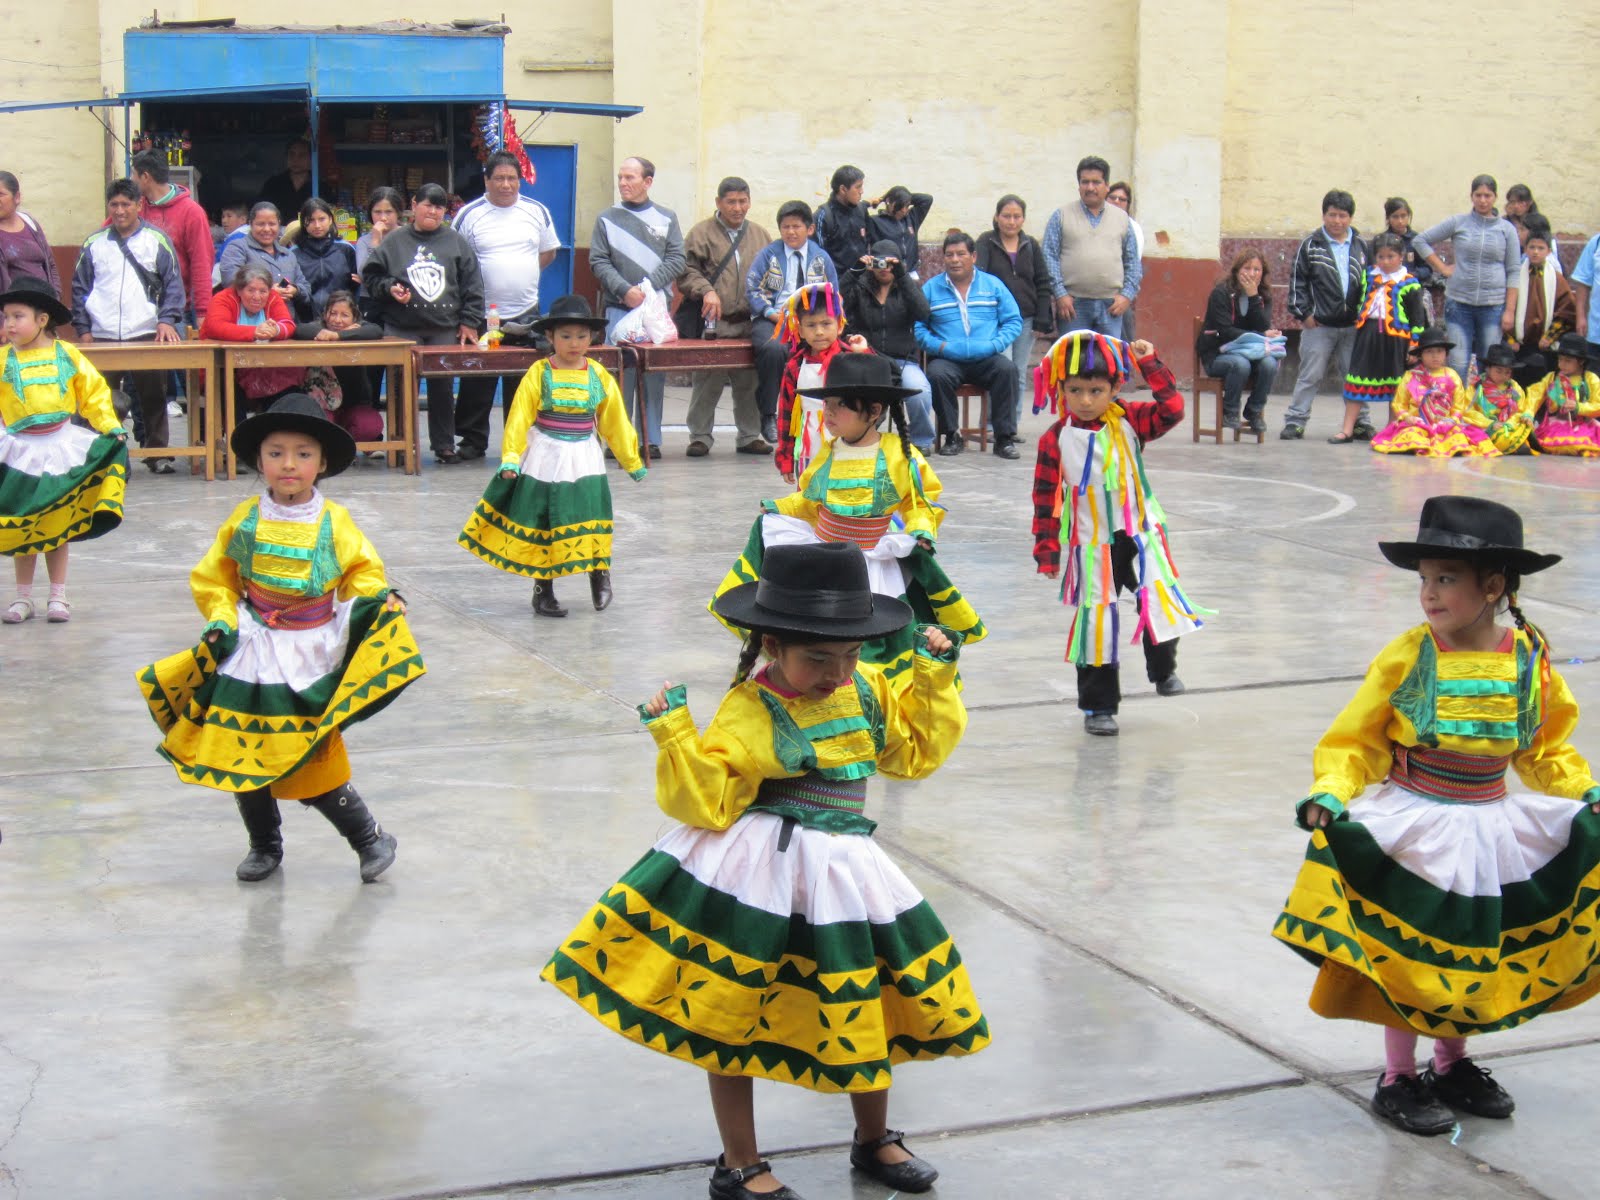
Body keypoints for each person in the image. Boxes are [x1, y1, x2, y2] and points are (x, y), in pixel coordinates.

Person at [541, 540, 988, 1200]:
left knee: (864, 998)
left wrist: (932, 679)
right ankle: (740, 1161)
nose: (837, 672)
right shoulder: (751, 708)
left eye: (850, 654)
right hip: (762, 874)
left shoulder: (862, 689)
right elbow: (709, 802)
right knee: (733, 1010)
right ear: (772, 646)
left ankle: (874, 1138)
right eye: (818, 659)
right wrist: (675, 739)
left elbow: (911, 756)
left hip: (847, 874)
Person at [1274, 495, 1600, 1136]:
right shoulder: (1407, 656)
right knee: (1414, 956)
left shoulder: (1527, 658)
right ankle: (1398, 1075)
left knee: (1475, 949)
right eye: (1424, 580)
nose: (1428, 594)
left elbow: (1544, 748)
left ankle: (1452, 1063)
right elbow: (1359, 739)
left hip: (1489, 823)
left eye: (1446, 579)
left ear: (1494, 586)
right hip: (1418, 822)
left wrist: (1584, 791)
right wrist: (1334, 792)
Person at [135, 394, 422, 881]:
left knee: (309, 752)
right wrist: (221, 618)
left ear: (322, 463)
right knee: (241, 746)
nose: (289, 464)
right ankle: (264, 845)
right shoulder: (245, 520)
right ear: (258, 460)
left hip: (310, 650)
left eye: (303, 453)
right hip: (255, 650)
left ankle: (368, 838)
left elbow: (362, 574)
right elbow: (215, 579)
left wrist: (380, 600)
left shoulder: (335, 523)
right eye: (275, 453)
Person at [712, 353, 986, 682]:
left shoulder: (899, 455)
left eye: (839, 405)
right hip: (825, 556)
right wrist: (780, 507)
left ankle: (870, 687)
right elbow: (811, 501)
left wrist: (921, 530)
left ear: (874, 411)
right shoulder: (830, 450)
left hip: (871, 561)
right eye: (826, 403)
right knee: (819, 629)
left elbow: (919, 503)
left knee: (871, 632)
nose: (828, 412)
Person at [1030, 332, 1200, 737]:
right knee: (1096, 625)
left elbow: (1172, 409)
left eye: (1096, 390)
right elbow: (1044, 498)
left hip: (1140, 535)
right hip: (1092, 546)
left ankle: (1163, 670)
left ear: (1114, 388)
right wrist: (1048, 549)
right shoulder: (1054, 439)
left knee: (1160, 601)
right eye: (1075, 391)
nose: (1086, 400)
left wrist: (1152, 365)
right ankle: (1099, 707)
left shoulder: (1130, 420)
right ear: (1061, 390)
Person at [458, 295, 646, 617]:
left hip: (584, 455)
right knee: (546, 519)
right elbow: (519, 416)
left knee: (590, 511)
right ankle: (543, 590)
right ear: (549, 337)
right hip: (546, 454)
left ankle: (599, 575)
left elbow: (614, 419)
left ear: (593, 338)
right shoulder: (539, 372)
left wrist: (631, 460)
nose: (575, 343)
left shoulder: (598, 374)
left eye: (582, 336)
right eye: (566, 336)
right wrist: (511, 457)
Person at [0, 274, 128, 624]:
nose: (10, 324)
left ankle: (58, 595)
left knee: (56, 524)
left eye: (18, 316)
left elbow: (94, 395)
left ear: (42, 320)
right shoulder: (1, 360)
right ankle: (22, 597)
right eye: (6, 317)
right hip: (20, 452)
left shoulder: (67, 355)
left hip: (60, 448)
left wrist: (111, 428)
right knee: (25, 521)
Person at [362, 182, 486, 465]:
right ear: (414, 205)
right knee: (401, 388)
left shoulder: (455, 241)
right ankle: (403, 444)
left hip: (444, 327)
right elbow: (372, 277)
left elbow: (472, 285)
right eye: (428, 204)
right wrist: (390, 287)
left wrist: (469, 322)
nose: (433, 211)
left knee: (442, 389)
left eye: (439, 206)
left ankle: (443, 445)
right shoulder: (395, 240)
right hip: (401, 328)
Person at [70, 178, 186, 474]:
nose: (120, 210)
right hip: (101, 336)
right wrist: (83, 329)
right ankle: (98, 454)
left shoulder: (157, 240)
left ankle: (157, 453)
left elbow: (173, 284)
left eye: (126, 204)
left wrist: (165, 320)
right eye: (114, 204)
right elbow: (79, 288)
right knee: (98, 398)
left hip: (146, 332)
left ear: (138, 206)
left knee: (152, 397)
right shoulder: (94, 243)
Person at [454, 151, 563, 457]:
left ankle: (521, 442)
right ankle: (472, 441)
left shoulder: (537, 211)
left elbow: (548, 253)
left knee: (524, 380)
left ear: (520, 181)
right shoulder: (469, 214)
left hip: (526, 311)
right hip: (482, 313)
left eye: (512, 178)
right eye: (499, 178)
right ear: (486, 180)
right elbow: (457, 261)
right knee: (478, 377)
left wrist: (518, 276)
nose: (506, 184)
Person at [589, 157, 685, 458]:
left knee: (652, 375)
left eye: (630, 177)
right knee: (618, 376)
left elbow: (676, 259)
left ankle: (650, 440)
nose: (623, 183)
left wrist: (646, 287)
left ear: (648, 181)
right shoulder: (606, 218)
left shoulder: (666, 218)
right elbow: (598, 260)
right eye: (621, 177)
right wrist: (625, 290)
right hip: (619, 308)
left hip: (654, 312)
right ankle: (618, 440)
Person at [678, 176, 772, 456]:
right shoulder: (700, 233)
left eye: (743, 201)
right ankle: (700, 436)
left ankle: (748, 435)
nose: (737, 207)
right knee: (708, 381)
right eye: (731, 201)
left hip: (750, 321)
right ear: (718, 202)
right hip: (713, 323)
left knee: (749, 382)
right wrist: (706, 290)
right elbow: (685, 271)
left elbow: (772, 272)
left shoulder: (760, 234)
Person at [914, 231, 1023, 458]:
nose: (955, 259)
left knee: (1008, 370)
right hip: (948, 357)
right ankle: (951, 435)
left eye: (961, 254)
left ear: (973, 256)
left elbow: (1013, 321)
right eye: (949, 255)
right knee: (936, 374)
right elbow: (917, 327)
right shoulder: (931, 289)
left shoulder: (993, 285)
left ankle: (1004, 438)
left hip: (986, 356)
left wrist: (995, 344)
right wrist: (940, 347)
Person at [746, 200, 837, 444]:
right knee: (773, 349)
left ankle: (824, 413)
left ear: (809, 229)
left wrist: (828, 322)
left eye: (796, 226)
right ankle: (768, 414)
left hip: (811, 320)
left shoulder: (820, 257)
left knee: (827, 353)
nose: (791, 232)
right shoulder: (768, 254)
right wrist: (769, 312)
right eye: (785, 227)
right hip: (774, 317)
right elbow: (752, 289)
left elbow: (832, 292)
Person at [1282, 189, 1370, 440]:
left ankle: (1361, 422)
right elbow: (1297, 282)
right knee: (1310, 375)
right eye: (1332, 215)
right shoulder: (1310, 245)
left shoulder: (1362, 246)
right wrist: (1305, 314)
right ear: (1324, 215)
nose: (1337, 221)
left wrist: (1364, 317)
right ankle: (1295, 421)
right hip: (1318, 325)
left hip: (1353, 325)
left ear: (1350, 218)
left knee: (1354, 376)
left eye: (1343, 215)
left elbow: (1370, 283)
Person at [1414, 176, 1521, 378]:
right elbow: (1421, 241)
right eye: (1478, 195)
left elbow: (1514, 270)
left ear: (1495, 197)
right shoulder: (1458, 222)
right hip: (1459, 304)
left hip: (1493, 306)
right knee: (1458, 362)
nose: (1482, 200)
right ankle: (1457, 408)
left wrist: (1510, 310)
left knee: (1489, 362)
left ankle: (1483, 407)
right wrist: (1442, 268)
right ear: (1471, 196)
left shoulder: (1507, 230)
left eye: (1487, 195)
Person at [841, 238, 936, 454]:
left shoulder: (906, 287)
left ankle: (921, 440)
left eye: (889, 264)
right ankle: (862, 438)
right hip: (868, 358)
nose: (884, 269)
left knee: (919, 391)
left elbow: (924, 313)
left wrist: (903, 276)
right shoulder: (861, 285)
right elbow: (836, 303)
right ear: (871, 263)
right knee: (865, 396)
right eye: (879, 263)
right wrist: (854, 272)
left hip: (902, 360)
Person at [1329, 233, 1425, 444]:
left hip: (1396, 340)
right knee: (1356, 380)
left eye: (1391, 256)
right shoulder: (1369, 276)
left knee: (1395, 386)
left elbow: (1417, 317)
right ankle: (1347, 429)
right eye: (1381, 257)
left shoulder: (1409, 283)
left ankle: (1391, 429)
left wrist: (1414, 345)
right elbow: (1356, 300)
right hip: (1368, 335)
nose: (1385, 261)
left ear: (1401, 257)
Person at [773, 282, 867, 482]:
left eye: (826, 324)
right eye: (811, 325)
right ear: (800, 329)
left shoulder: (851, 356)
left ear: (840, 324)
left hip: (848, 443)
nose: (819, 332)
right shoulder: (795, 366)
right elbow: (786, 414)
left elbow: (874, 387)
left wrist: (863, 355)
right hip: (809, 446)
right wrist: (786, 457)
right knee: (809, 502)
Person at [1042, 156, 1142, 339]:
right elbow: (1049, 257)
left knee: (1110, 362)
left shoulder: (1122, 219)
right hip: (1073, 306)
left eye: (1096, 182)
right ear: (1078, 185)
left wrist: (1126, 296)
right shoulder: (1061, 216)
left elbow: (1132, 262)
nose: (1090, 187)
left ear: (1107, 186)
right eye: (1085, 182)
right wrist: (1060, 295)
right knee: (1073, 363)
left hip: (1111, 306)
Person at [975, 195, 1055, 415]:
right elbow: (979, 276)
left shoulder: (1031, 245)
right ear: (996, 217)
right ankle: (993, 424)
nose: (1011, 221)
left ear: (1023, 219)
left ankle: (1011, 424)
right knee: (1002, 369)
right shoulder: (986, 242)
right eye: (1006, 216)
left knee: (1018, 372)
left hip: (1025, 319)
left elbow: (1042, 281)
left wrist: (1042, 316)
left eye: (1016, 216)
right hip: (996, 319)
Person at [1369, 327, 1492, 457]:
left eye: (1439, 351)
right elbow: (1399, 403)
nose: (1435, 356)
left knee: (1457, 438)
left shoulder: (1452, 376)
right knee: (1412, 435)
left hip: (1444, 423)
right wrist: (1407, 417)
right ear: (1420, 355)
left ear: (1446, 354)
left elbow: (1459, 405)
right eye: (1429, 351)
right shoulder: (1411, 376)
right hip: (1417, 423)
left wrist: (1452, 419)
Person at [1195, 249, 1282, 433]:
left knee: (1269, 364)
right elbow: (1225, 331)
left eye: (1257, 270)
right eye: (1247, 268)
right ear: (1236, 270)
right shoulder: (1221, 293)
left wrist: (1253, 297)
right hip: (1218, 353)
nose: (1252, 274)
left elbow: (1261, 325)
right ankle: (1230, 411)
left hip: (1251, 353)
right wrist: (1260, 336)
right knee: (1240, 365)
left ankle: (1254, 411)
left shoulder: (1263, 296)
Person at [201, 263, 303, 417]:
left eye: (263, 291)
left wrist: (275, 330)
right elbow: (215, 327)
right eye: (251, 290)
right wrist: (255, 331)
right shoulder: (223, 298)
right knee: (229, 387)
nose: (257, 297)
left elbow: (288, 324)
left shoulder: (273, 298)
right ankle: (237, 435)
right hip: (225, 368)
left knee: (288, 385)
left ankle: (274, 430)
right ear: (240, 290)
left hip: (266, 366)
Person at [130, 148, 213, 329]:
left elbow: (202, 263)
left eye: (133, 174)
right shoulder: (131, 208)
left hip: (177, 312)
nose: (131, 180)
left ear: (145, 177)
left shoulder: (192, 212)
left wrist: (202, 312)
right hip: (134, 310)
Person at [293, 290, 386, 443]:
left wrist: (339, 336)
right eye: (333, 313)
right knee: (319, 425)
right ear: (325, 314)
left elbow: (376, 330)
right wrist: (328, 333)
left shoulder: (360, 327)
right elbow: (299, 329)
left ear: (354, 317)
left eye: (344, 315)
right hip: (323, 404)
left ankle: (347, 442)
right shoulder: (319, 327)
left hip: (354, 403)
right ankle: (332, 446)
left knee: (369, 426)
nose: (337, 320)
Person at [217, 201, 311, 322]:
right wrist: (267, 291)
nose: (267, 229)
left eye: (272, 224)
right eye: (260, 224)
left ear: (279, 224)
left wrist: (295, 290)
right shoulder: (237, 248)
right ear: (250, 224)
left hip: (285, 325)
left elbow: (306, 289)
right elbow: (230, 281)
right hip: (250, 326)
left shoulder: (288, 255)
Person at [1507, 224, 1574, 388]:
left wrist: (1550, 336)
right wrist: (1510, 338)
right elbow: (1506, 308)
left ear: (1548, 251)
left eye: (1540, 248)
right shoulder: (1514, 277)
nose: (1536, 251)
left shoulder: (1557, 279)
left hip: (1546, 345)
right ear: (1525, 249)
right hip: (1519, 346)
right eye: (1532, 247)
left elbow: (1566, 312)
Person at [1526, 332, 1600, 456]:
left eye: (1568, 361)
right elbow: (1535, 394)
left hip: (1583, 424)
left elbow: (1598, 404)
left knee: (1581, 442)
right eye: (1560, 360)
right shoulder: (1552, 377)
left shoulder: (1590, 379)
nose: (1562, 365)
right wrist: (1528, 413)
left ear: (1581, 361)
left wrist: (1578, 407)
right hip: (1555, 425)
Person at [292, 198, 359, 319]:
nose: (317, 225)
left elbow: (355, 286)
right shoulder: (294, 253)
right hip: (304, 320)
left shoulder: (345, 249)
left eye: (322, 219)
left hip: (339, 319)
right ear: (303, 223)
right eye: (311, 220)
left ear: (330, 220)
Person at [1465, 342, 1534, 455]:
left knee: (1525, 425)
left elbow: (1521, 410)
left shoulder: (1514, 387)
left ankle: (1509, 443)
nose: (1503, 376)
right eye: (1499, 371)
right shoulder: (1477, 387)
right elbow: (1468, 411)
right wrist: (1490, 424)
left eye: (1507, 372)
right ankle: (1508, 445)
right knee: (1473, 433)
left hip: (1510, 426)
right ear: (1488, 368)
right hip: (1486, 426)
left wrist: (1509, 424)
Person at [0, 171, 62, 295]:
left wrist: (55, 296)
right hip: (13, 310)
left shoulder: (30, 223)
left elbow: (50, 263)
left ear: (16, 197)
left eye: (0, 194)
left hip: (44, 306)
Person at [813, 164, 872, 277]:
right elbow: (818, 256)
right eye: (858, 187)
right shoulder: (823, 216)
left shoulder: (861, 210)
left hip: (862, 281)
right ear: (843, 189)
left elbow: (869, 241)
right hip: (836, 283)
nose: (862, 191)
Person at [866, 185, 933, 278]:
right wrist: (880, 200)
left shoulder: (912, 218)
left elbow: (927, 199)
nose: (903, 210)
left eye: (906, 206)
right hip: (888, 274)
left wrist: (904, 197)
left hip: (910, 273)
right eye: (899, 206)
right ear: (889, 202)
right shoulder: (875, 221)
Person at [1106, 181, 1145, 341]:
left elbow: (1133, 266)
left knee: (1122, 345)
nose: (1116, 202)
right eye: (1112, 197)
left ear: (1128, 204)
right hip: (1091, 295)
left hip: (1119, 296)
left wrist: (1124, 296)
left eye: (1122, 199)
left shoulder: (1132, 228)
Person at [259, 138, 313, 221]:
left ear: (311, 158)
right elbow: (260, 210)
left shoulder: (320, 185)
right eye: (291, 154)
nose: (295, 159)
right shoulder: (273, 183)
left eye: (302, 155)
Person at [353, 187, 404, 275]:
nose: (383, 218)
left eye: (389, 212)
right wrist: (375, 242)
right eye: (377, 212)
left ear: (398, 212)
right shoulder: (364, 241)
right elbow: (364, 274)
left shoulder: (407, 236)